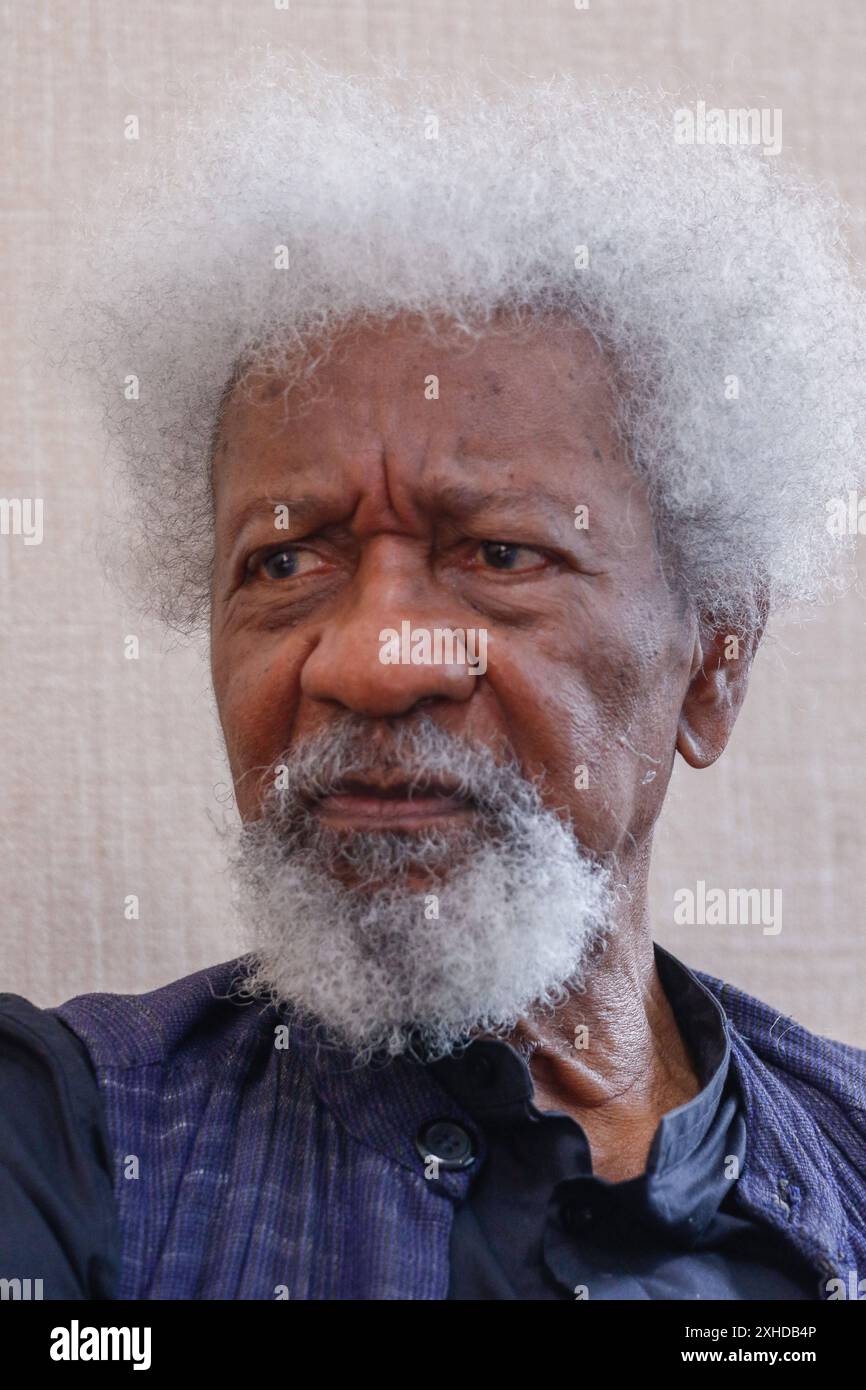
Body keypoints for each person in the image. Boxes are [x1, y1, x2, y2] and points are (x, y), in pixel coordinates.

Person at [3, 59, 866, 1301]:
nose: (365, 659)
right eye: (286, 558)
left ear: (710, 662)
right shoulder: (62, 1139)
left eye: (498, 553)